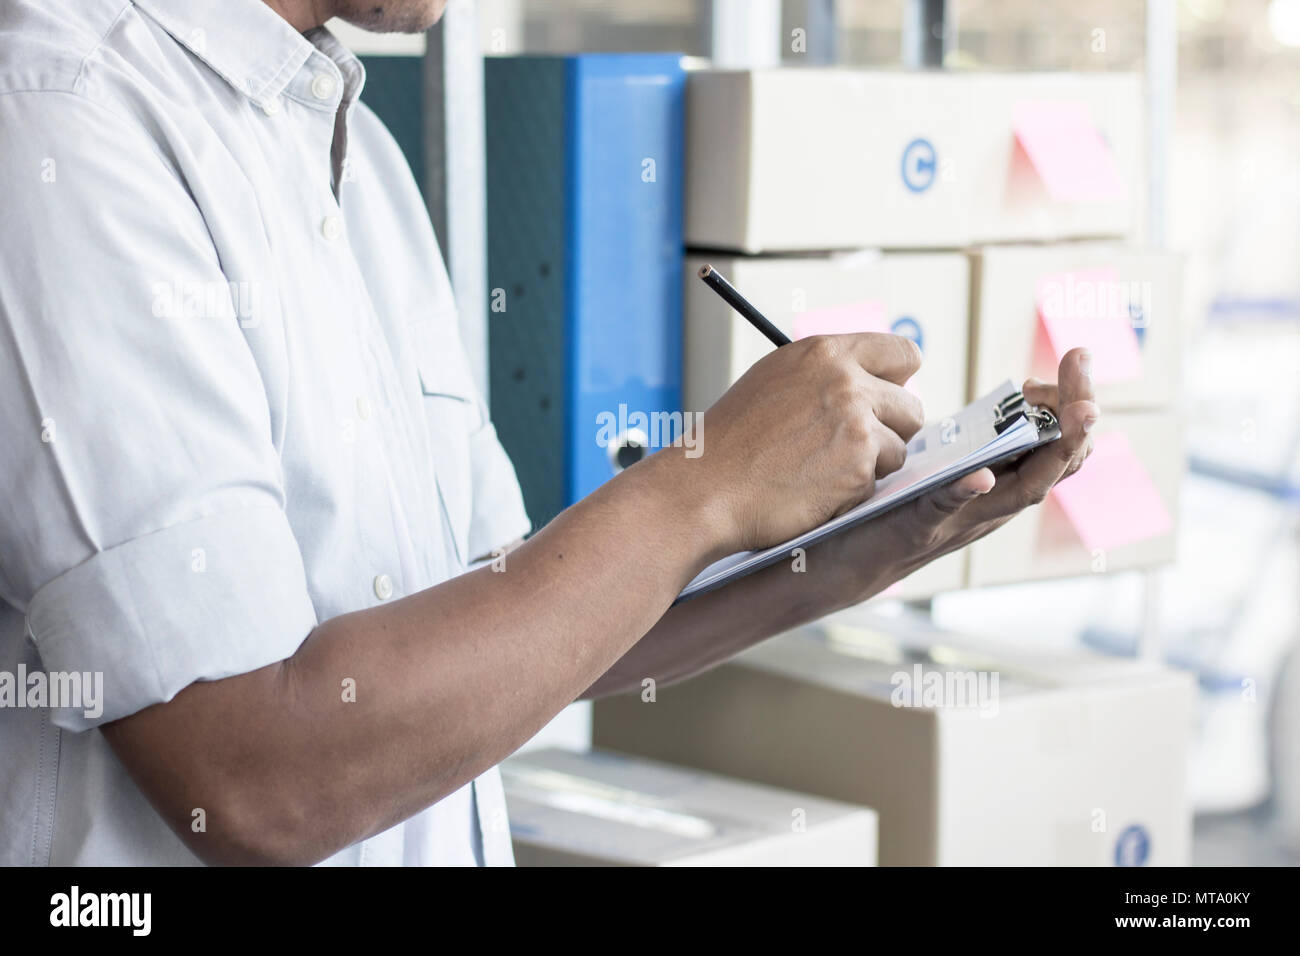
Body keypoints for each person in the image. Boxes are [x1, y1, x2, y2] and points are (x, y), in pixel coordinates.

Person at [0, 0, 1098, 866]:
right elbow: (246, 779)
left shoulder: (360, 160)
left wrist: (860, 548)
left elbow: (517, 630)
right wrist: (702, 484)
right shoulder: (62, 114)